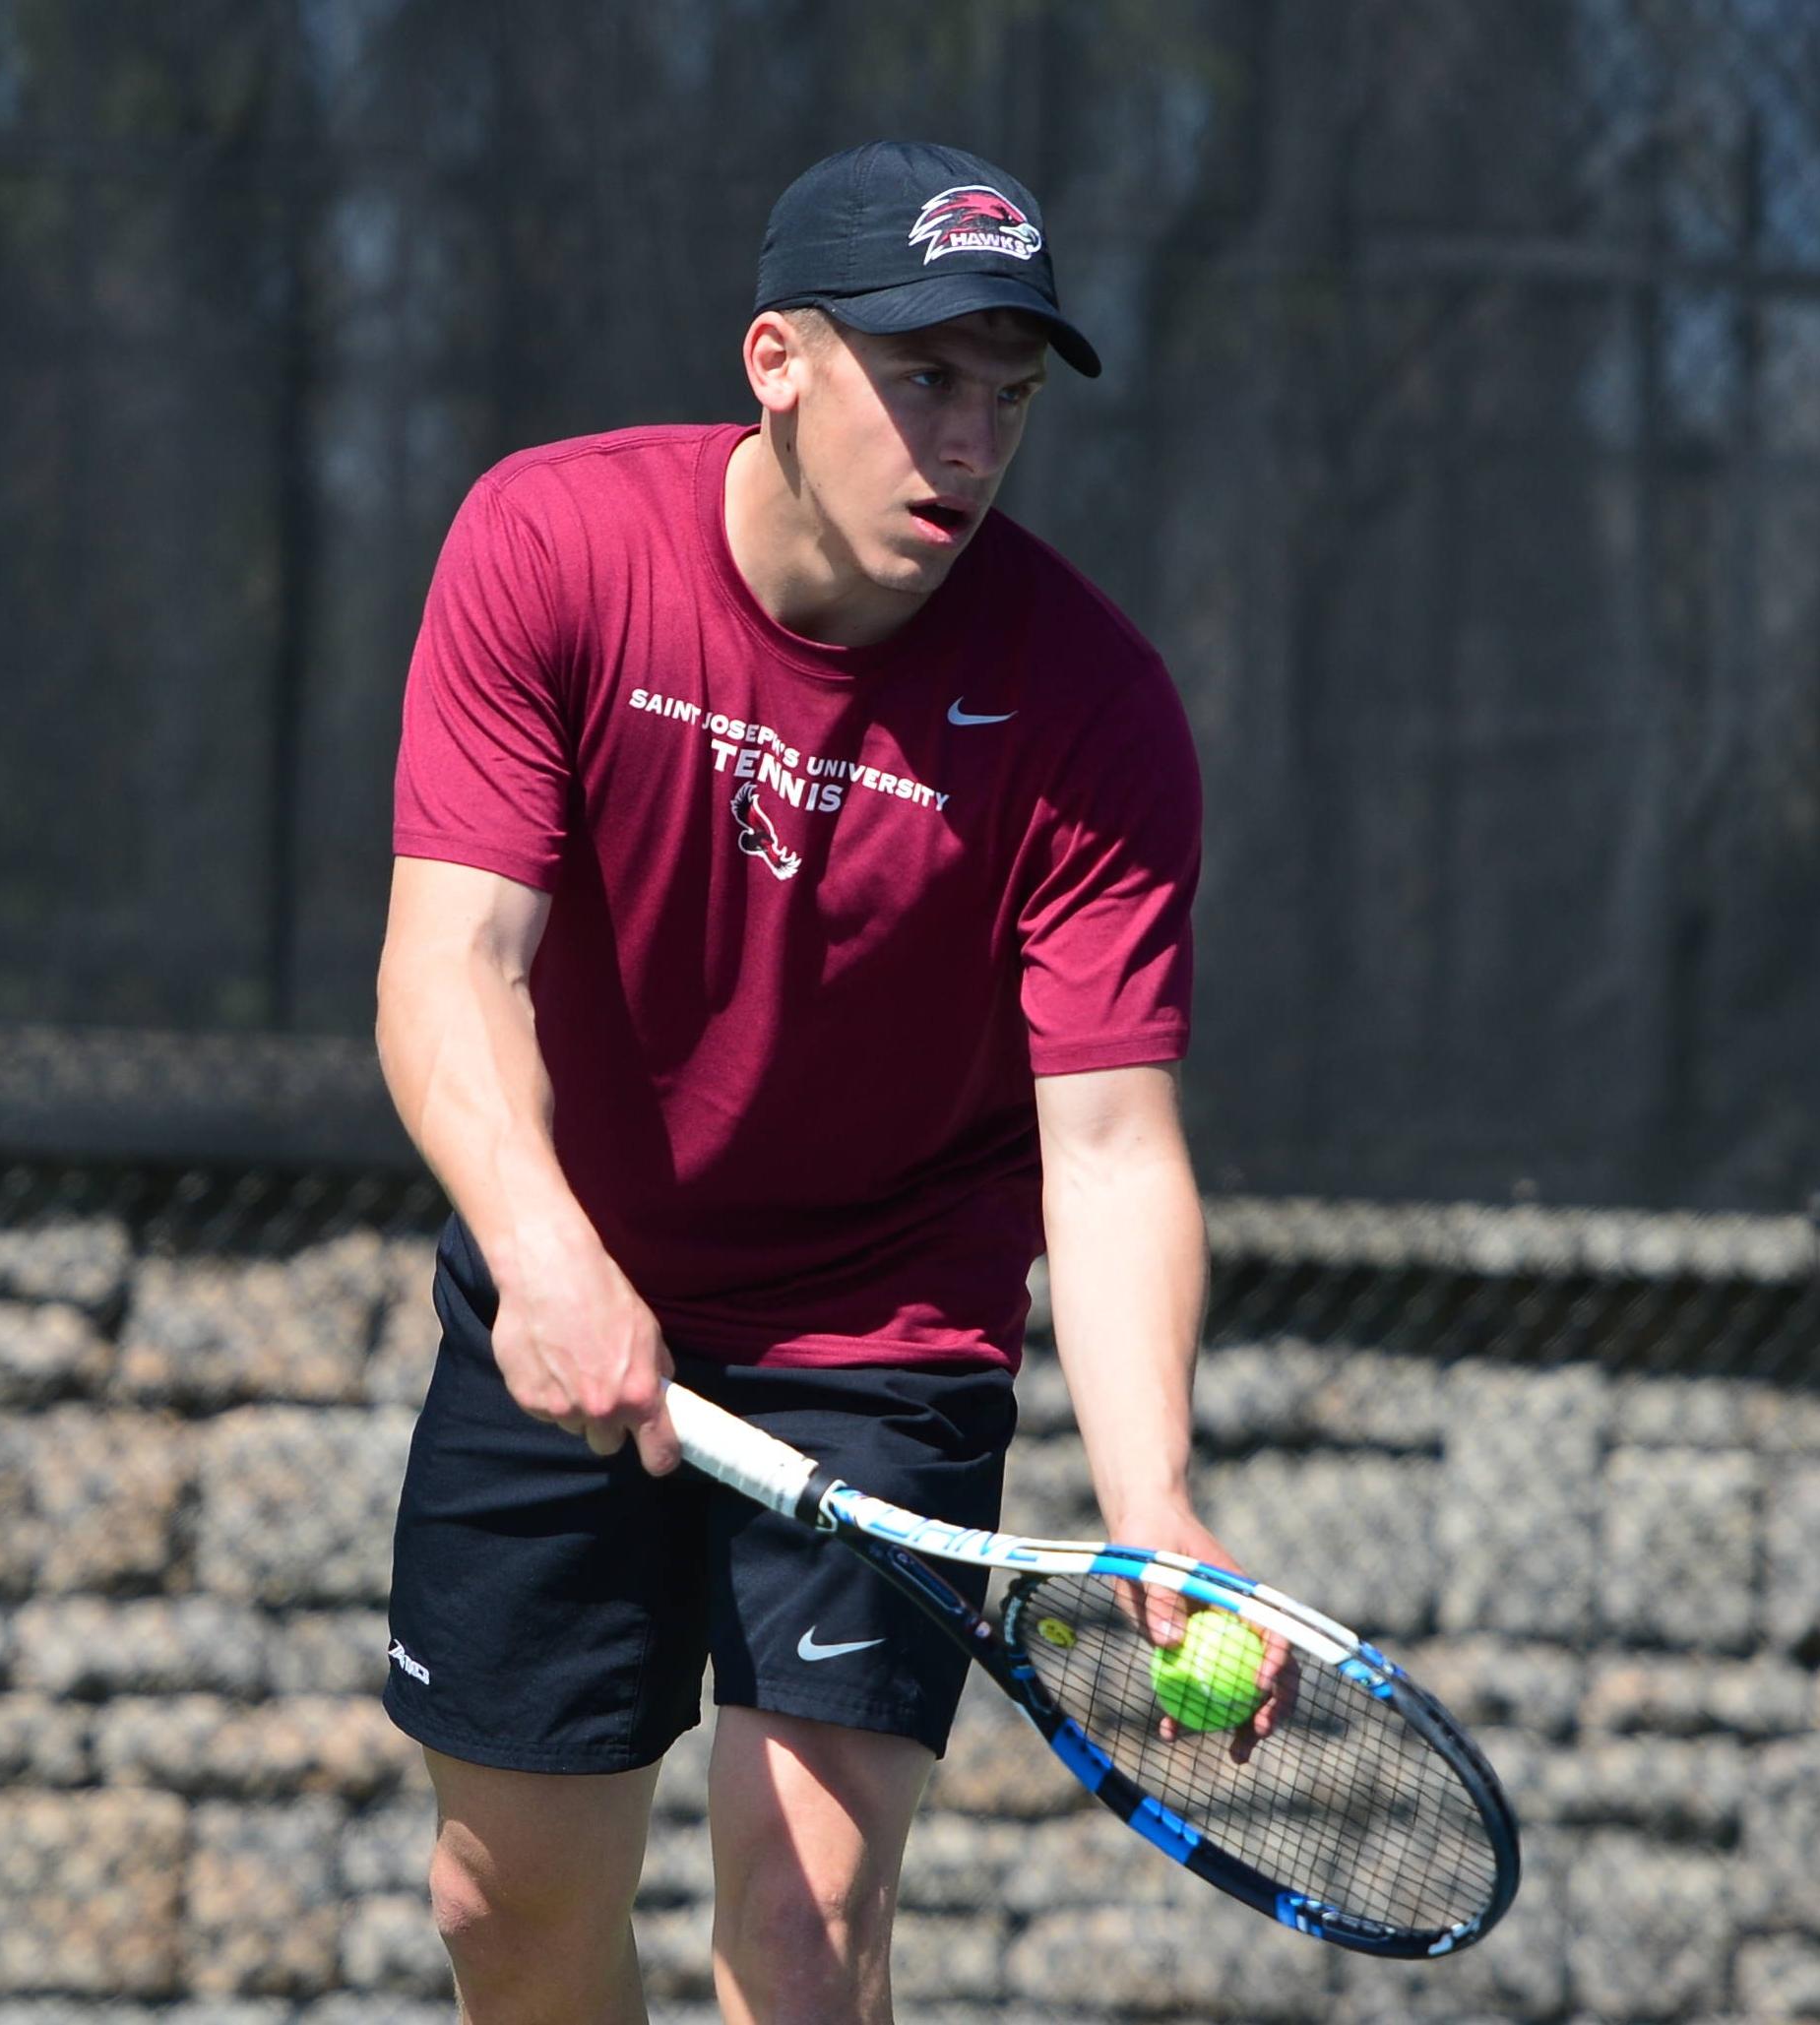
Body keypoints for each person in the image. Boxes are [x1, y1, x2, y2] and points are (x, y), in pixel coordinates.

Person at [374, 139, 1261, 2024]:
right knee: (495, 1902)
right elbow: (448, 966)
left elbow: (1104, 1150)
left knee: (800, 1934)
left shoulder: (1091, 711)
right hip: (574, 1286)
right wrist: (541, 1248)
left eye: (1006, 395)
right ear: (774, 359)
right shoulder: (549, 546)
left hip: (882, 1335)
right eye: (921, 377)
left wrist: (1156, 1494)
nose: (968, 437)